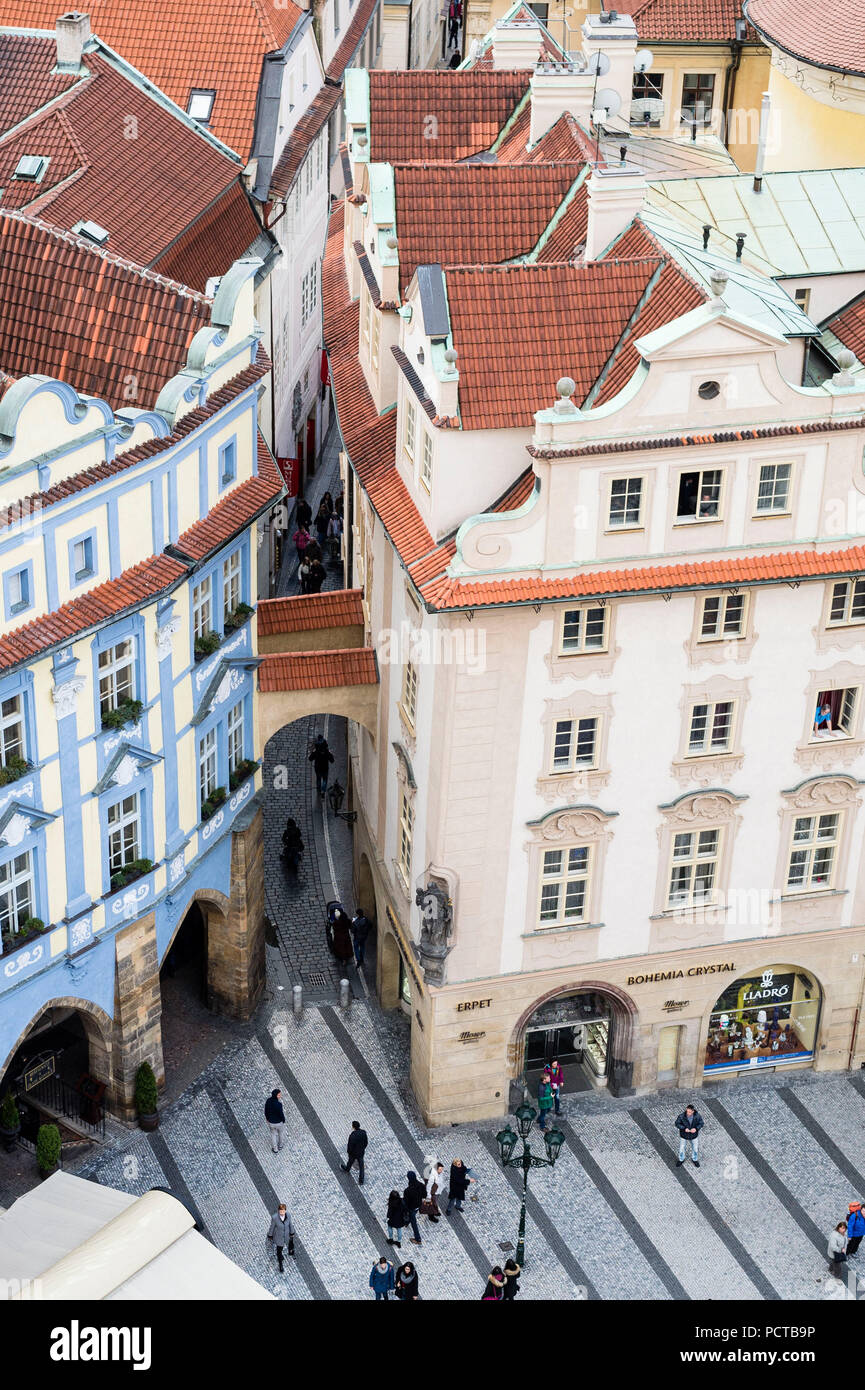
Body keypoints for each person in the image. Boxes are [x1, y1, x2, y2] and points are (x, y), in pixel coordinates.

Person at [266, 1203, 295, 1272]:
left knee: (290, 1244)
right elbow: (272, 1227)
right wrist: (270, 1235)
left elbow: (290, 1224)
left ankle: (290, 1251)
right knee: (279, 1251)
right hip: (279, 1237)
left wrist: (292, 1232)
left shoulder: (288, 1215)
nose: (282, 1213)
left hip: (286, 1235)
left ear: (285, 1210)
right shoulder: (275, 1218)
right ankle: (280, 1264)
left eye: (283, 1211)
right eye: (280, 1211)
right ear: (278, 1211)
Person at [341, 1119, 368, 1183]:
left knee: (350, 1162)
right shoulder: (363, 1133)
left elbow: (350, 1145)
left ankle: (347, 1169)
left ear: (353, 1127)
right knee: (361, 1166)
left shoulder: (352, 1135)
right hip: (361, 1152)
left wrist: (349, 1152)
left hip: (353, 1153)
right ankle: (361, 1180)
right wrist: (362, 1148)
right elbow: (366, 1143)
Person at [403, 1170, 425, 1245]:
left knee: (414, 1222)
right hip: (418, 1205)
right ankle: (406, 1222)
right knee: (412, 1216)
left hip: (411, 1208)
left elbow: (406, 1202)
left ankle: (418, 1239)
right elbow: (424, 1195)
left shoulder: (407, 1191)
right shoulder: (421, 1185)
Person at [264, 1087, 286, 1153]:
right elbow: (281, 1114)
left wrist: (267, 1119)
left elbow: (266, 1111)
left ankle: (275, 1148)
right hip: (279, 1122)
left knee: (273, 1135)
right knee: (280, 1133)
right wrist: (283, 1120)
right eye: (279, 1095)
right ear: (276, 1095)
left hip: (271, 1122)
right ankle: (281, 1145)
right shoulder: (279, 1104)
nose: (280, 1096)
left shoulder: (268, 1101)